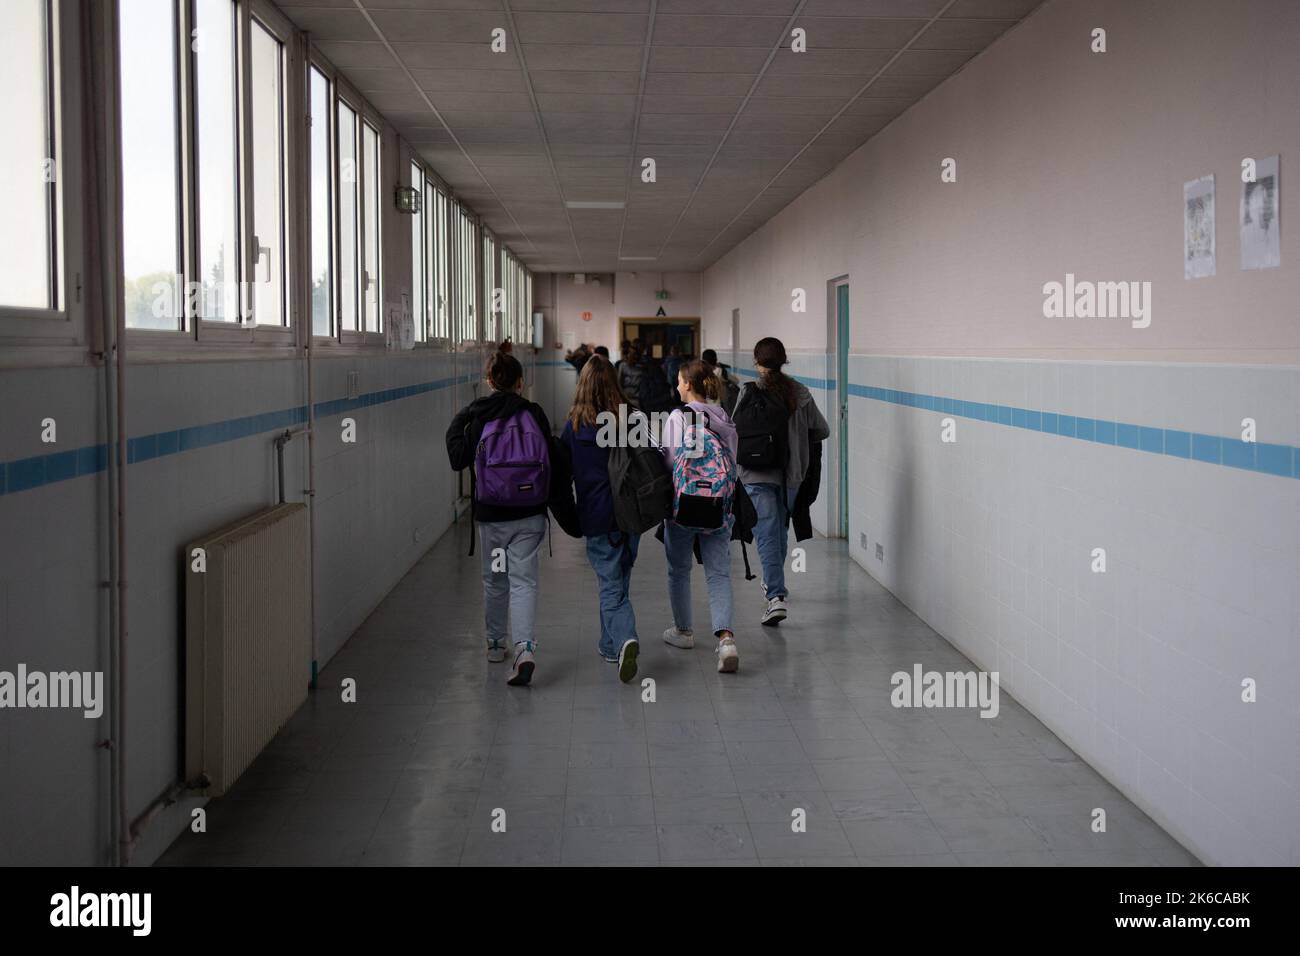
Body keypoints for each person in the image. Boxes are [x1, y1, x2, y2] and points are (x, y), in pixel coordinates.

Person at [445, 351, 553, 686]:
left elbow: (457, 458)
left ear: (490, 381)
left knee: (495, 579)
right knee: (524, 581)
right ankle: (524, 649)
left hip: (492, 519)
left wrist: (464, 413)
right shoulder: (534, 413)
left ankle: (495, 644)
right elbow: (551, 456)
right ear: (520, 382)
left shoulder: (478, 418)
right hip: (530, 514)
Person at [731, 337, 829, 627]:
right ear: (784, 359)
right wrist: (797, 442)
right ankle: (775, 586)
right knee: (777, 530)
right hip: (791, 474)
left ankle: (775, 595)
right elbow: (821, 430)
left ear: (756, 361)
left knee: (767, 532)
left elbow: (735, 430)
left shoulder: (748, 392)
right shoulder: (800, 393)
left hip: (756, 473)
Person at [560, 356, 642, 683]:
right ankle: (609, 644)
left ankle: (624, 639)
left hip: (596, 514)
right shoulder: (630, 419)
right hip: (631, 512)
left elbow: (563, 475)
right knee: (619, 578)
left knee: (609, 583)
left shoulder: (575, 426)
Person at [659, 360, 741, 673]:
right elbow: (733, 461)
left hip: (684, 506)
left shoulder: (679, 417)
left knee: (678, 569)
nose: (678, 386)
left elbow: (669, 463)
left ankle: (683, 631)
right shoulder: (723, 418)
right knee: (718, 572)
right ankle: (726, 638)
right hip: (719, 507)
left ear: (688, 385)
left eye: (680, 381)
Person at [702, 348, 740, 415]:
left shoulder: (698, 372)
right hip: (717, 408)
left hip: (703, 409)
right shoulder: (720, 371)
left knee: (699, 424)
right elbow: (736, 381)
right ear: (715, 359)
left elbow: (694, 425)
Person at [618, 342, 646, 410]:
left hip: (638, 399)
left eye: (636, 354)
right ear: (627, 355)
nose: (635, 357)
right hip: (625, 399)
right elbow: (619, 383)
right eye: (632, 354)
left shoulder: (642, 368)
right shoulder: (623, 366)